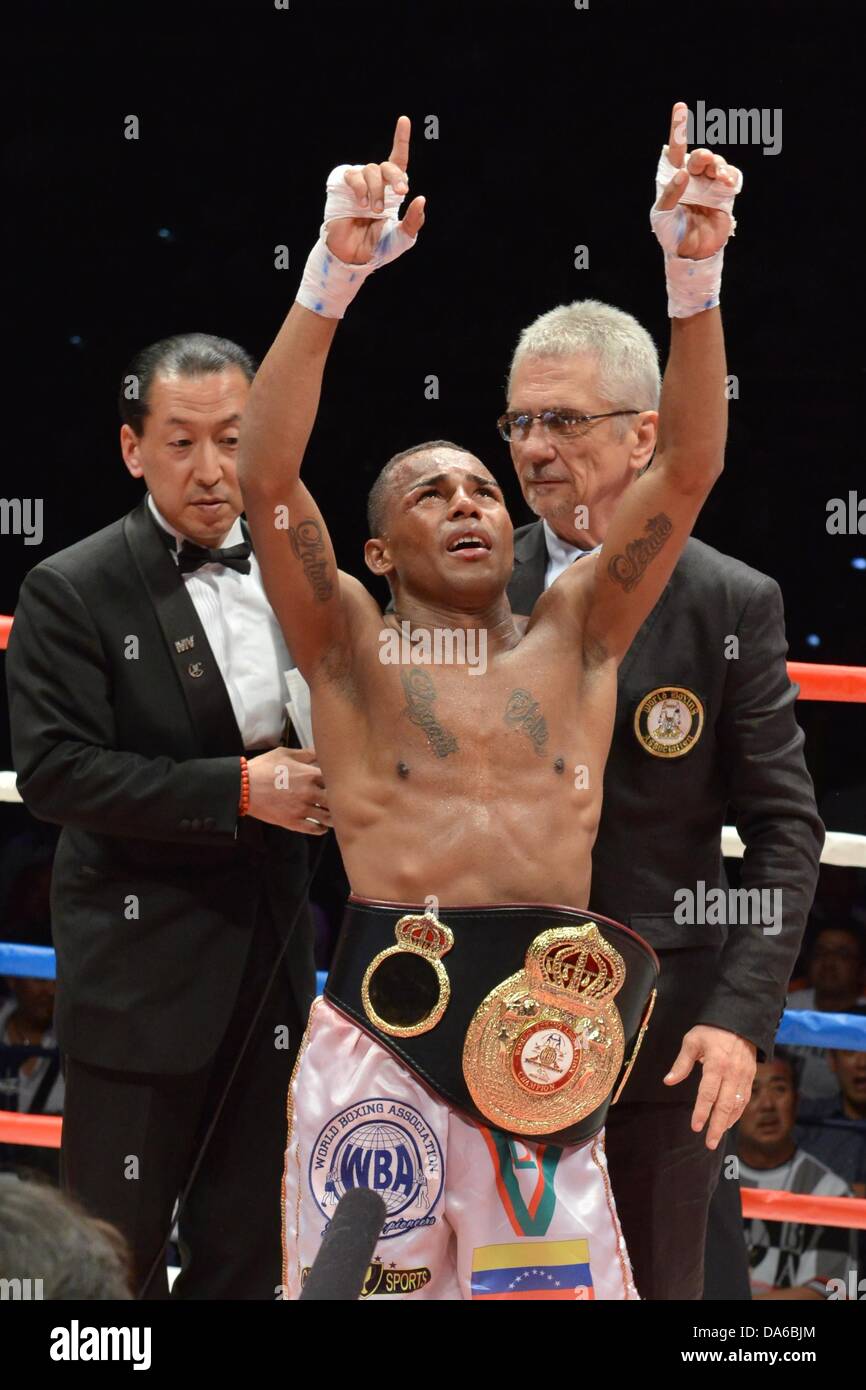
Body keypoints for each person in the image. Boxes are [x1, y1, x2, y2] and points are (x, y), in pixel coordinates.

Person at [239, 108, 745, 1300]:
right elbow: (263, 475)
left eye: (480, 481)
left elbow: (685, 466)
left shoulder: (578, 638)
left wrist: (693, 267)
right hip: (380, 1037)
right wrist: (330, 276)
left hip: (546, 1040)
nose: (469, 499)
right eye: (429, 492)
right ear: (372, 550)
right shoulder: (350, 653)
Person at [504, 296, 823, 1300]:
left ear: (644, 433)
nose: (534, 447)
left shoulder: (726, 600)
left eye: (563, 420)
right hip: (484, 1019)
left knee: (663, 1287)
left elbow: (783, 830)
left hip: (664, 1036)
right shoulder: (463, 584)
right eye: (518, 422)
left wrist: (736, 1018)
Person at [5, 333, 327, 1298]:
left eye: (232, 439)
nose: (211, 468)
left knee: (248, 1254)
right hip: (142, 979)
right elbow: (57, 773)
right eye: (181, 442)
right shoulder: (73, 585)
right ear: (132, 449)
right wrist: (235, 787)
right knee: (114, 1258)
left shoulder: (297, 560)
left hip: (272, 965)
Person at [739, 1052, 857, 1299]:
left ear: (797, 1101)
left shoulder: (830, 1191)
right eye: (753, 1090)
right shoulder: (707, 1182)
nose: (767, 1105)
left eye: (779, 1089)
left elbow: (824, 1292)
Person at [787, 923, 866, 1100]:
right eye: (821, 953)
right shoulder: (785, 1008)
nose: (829, 962)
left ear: (861, 967)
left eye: (842, 954)